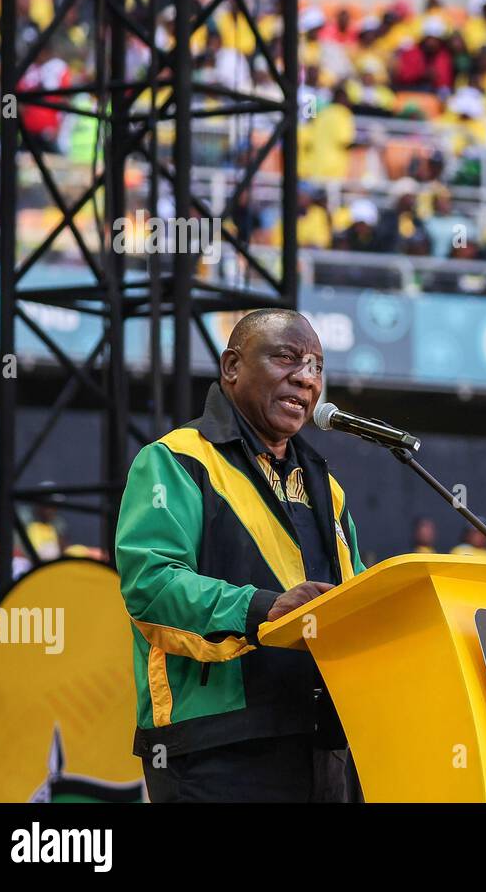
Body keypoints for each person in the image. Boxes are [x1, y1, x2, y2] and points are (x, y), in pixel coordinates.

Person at [115, 309, 365, 802]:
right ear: (232, 366)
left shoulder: (326, 488)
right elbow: (151, 586)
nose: (306, 377)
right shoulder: (176, 460)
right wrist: (261, 610)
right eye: (287, 358)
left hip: (323, 744)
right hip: (216, 748)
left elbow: (354, 599)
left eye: (316, 366)